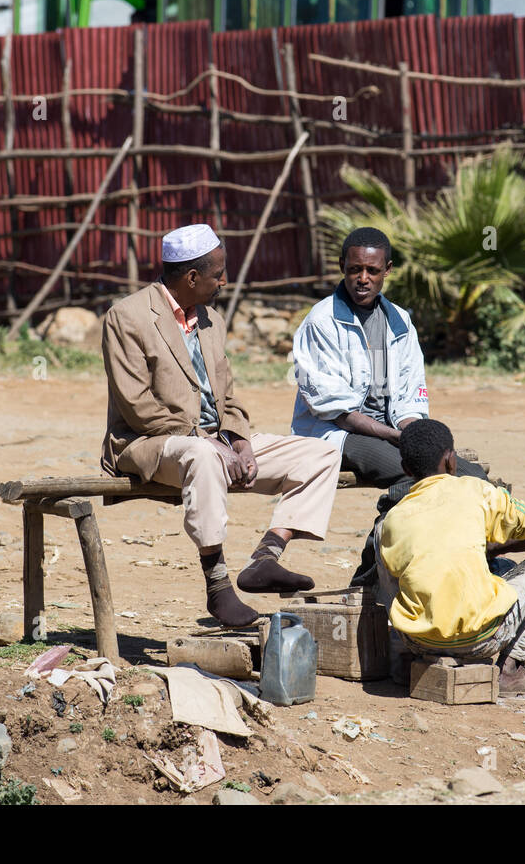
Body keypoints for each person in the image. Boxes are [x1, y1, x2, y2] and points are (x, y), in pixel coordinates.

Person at [100, 224, 343, 628]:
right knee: (201, 453)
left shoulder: (211, 319)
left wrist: (239, 439)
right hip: (152, 443)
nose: (224, 282)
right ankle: (218, 586)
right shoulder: (126, 317)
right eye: (218, 274)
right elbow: (137, 407)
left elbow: (227, 395)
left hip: (217, 443)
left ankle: (266, 558)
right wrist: (207, 441)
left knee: (321, 452)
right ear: (192, 277)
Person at [375, 419, 525, 696]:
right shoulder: (478, 490)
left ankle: (401, 659)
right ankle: (512, 668)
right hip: (482, 639)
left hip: (418, 641)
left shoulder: (395, 517)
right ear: (451, 460)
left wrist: (490, 551)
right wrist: (499, 546)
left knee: (381, 537)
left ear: (406, 470)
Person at [290, 227, 489, 488]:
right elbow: (337, 412)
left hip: (390, 429)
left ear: (387, 270)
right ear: (342, 266)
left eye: (372, 270)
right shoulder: (321, 321)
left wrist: (412, 431)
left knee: (473, 476)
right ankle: (382, 529)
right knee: (415, 474)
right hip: (338, 433)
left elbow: (410, 394)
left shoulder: (399, 320)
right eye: (355, 269)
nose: (363, 278)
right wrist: (395, 436)